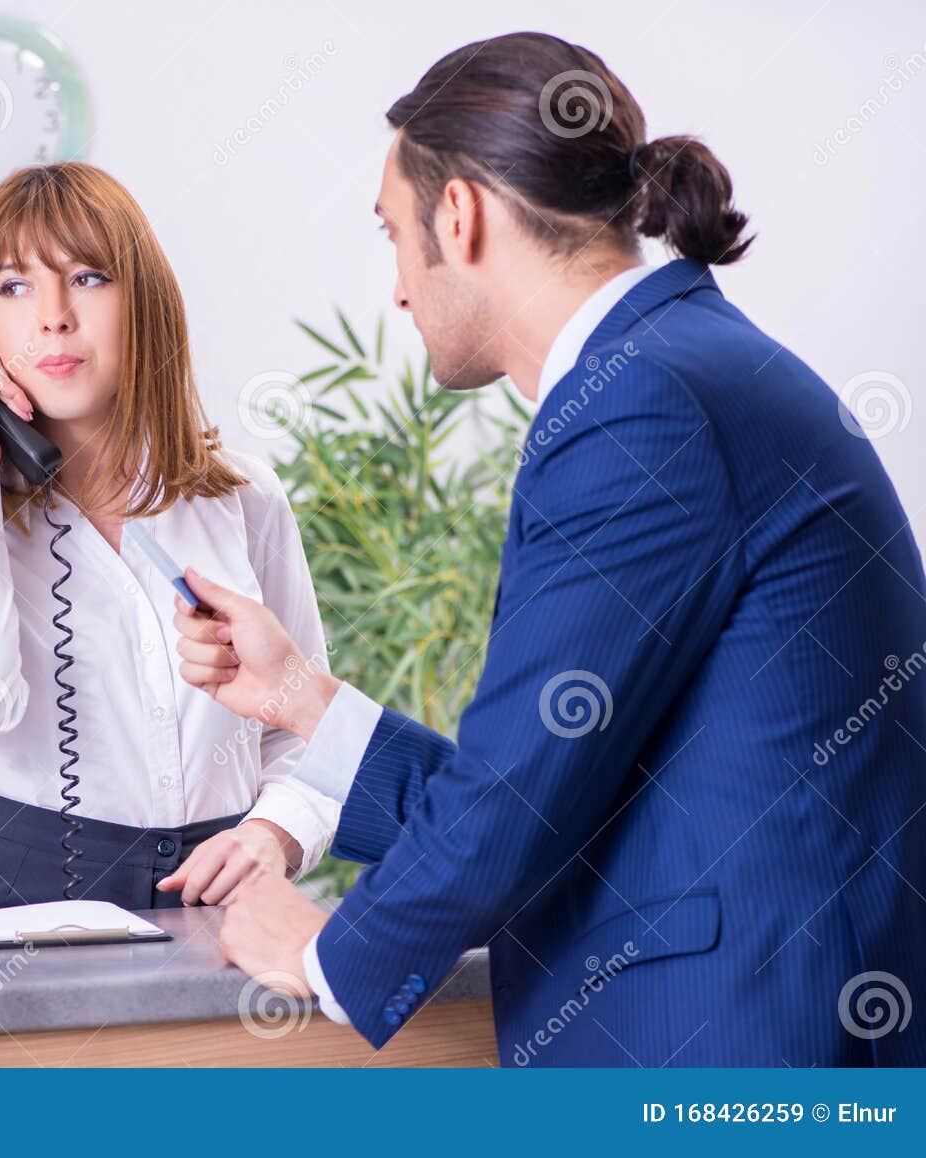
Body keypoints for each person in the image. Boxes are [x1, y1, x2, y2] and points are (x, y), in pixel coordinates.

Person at [164, 32, 926, 1066]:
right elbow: (552, 782)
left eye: (390, 234)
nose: (394, 287)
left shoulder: (641, 406)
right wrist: (298, 692)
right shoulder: (675, 368)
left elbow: (516, 803)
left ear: (459, 214)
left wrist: (326, 953)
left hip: (737, 1049)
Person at [0, 162, 339, 916]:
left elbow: (303, 714)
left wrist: (276, 832)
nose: (53, 316)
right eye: (15, 287)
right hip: (25, 893)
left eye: (87, 277)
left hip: (222, 887)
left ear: (143, 303)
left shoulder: (243, 499)